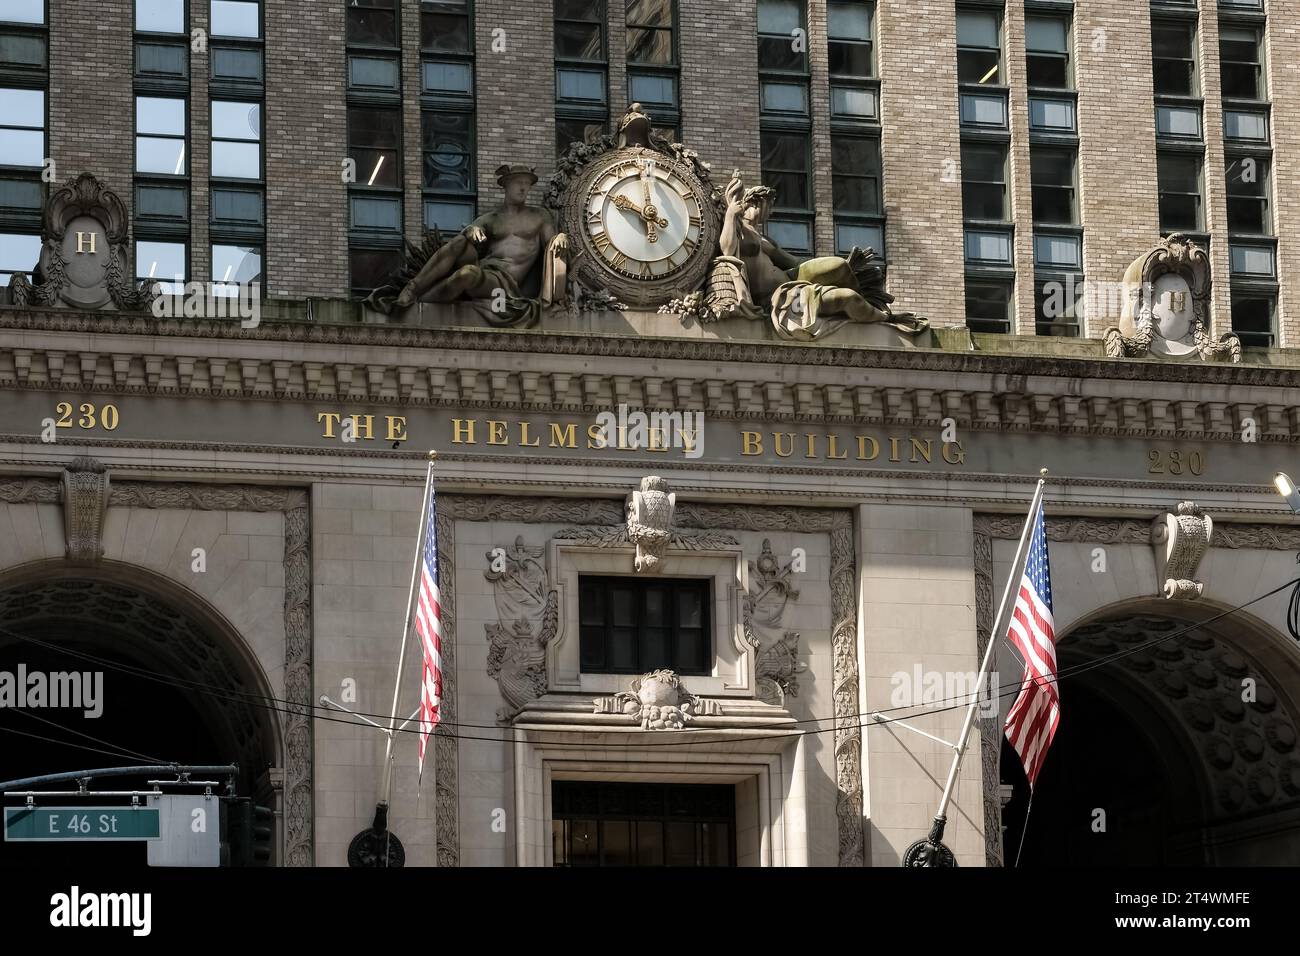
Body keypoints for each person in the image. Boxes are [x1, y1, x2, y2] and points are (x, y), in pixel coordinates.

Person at [719, 170, 927, 340]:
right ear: (756, 203)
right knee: (849, 298)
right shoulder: (738, 228)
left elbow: (794, 262)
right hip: (778, 296)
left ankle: (863, 292)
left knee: (838, 265)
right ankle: (886, 318)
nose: (769, 213)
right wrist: (730, 214)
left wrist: (842, 268)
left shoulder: (766, 239)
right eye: (768, 206)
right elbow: (727, 250)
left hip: (791, 279)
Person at [391, 164, 568, 326]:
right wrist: (470, 231)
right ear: (506, 186)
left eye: (527, 183)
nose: (523, 187)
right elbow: (472, 229)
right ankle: (412, 289)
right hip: (486, 269)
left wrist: (560, 238)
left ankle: (422, 302)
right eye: (518, 182)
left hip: (504, 284)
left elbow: (551, 244)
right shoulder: (491, 219)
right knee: (461, 241)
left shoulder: (540, 216)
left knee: (466, 274)